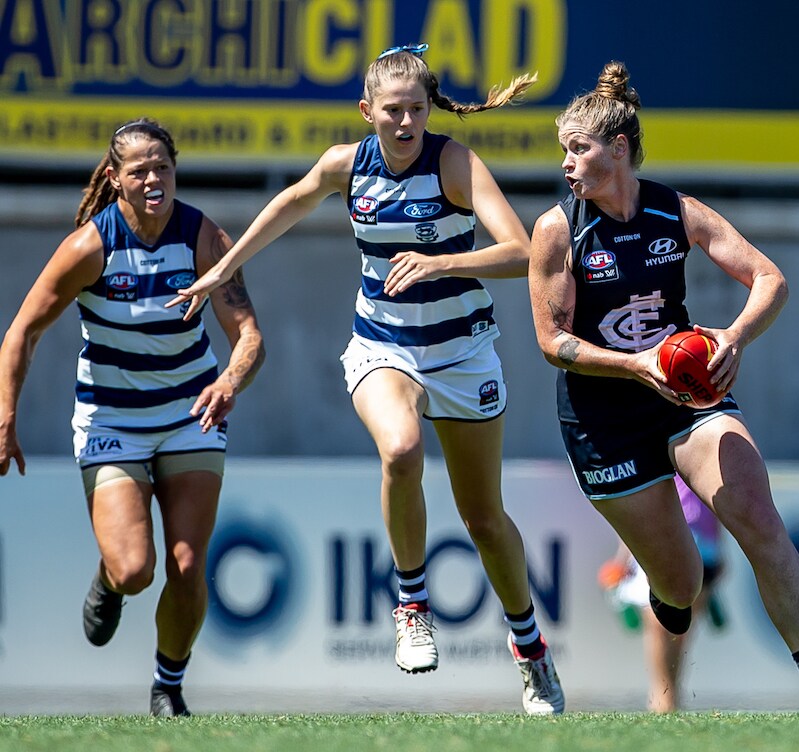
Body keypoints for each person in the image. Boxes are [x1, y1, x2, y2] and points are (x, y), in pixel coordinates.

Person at [167, 43, 565, 715]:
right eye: (392, 112)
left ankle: (529, 651)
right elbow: (287, 206)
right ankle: (411, 604)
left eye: (416, 110)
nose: (406, 123)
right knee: (401, 448)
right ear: (366, 112)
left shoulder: (456, 164)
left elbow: (523, 251)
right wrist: (220, 268)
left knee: (484, 520)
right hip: (384, 347)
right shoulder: (347, 165)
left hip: (464, 353)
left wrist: (442, 265)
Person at [527, 61, 799, 715]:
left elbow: (770, 279)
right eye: (563, 151)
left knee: (759, 518)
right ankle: (654, 622)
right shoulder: (557, 230)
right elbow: (552, 342)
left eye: (579, 149)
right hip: (602, 420)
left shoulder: (673, 211)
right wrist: (636, 364)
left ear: (618, 149)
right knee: (680, 583)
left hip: (687, 394)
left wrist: (734, 337)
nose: (566, 164)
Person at [0, 118, 265, 717]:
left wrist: (229, 379)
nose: (153, 179)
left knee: (189, 563)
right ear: (116, 179)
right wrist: (5, 415)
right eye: (139, 170)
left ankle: (167, 685)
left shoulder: (203, 238)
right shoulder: (90, 247)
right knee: (136, 568)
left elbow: (249, 335)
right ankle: (108, 579)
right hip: (111, 420)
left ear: (175, 172)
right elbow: (21, 333)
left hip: (190, 411)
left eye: (162, 168)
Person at [597, 474, 726, 712]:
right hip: (664, 542)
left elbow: (714, 500)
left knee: (680, 630)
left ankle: (669, 696)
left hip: (701, 547)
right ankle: (663, 697)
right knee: (658, 625)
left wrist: (719, 549)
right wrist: (623, 556)